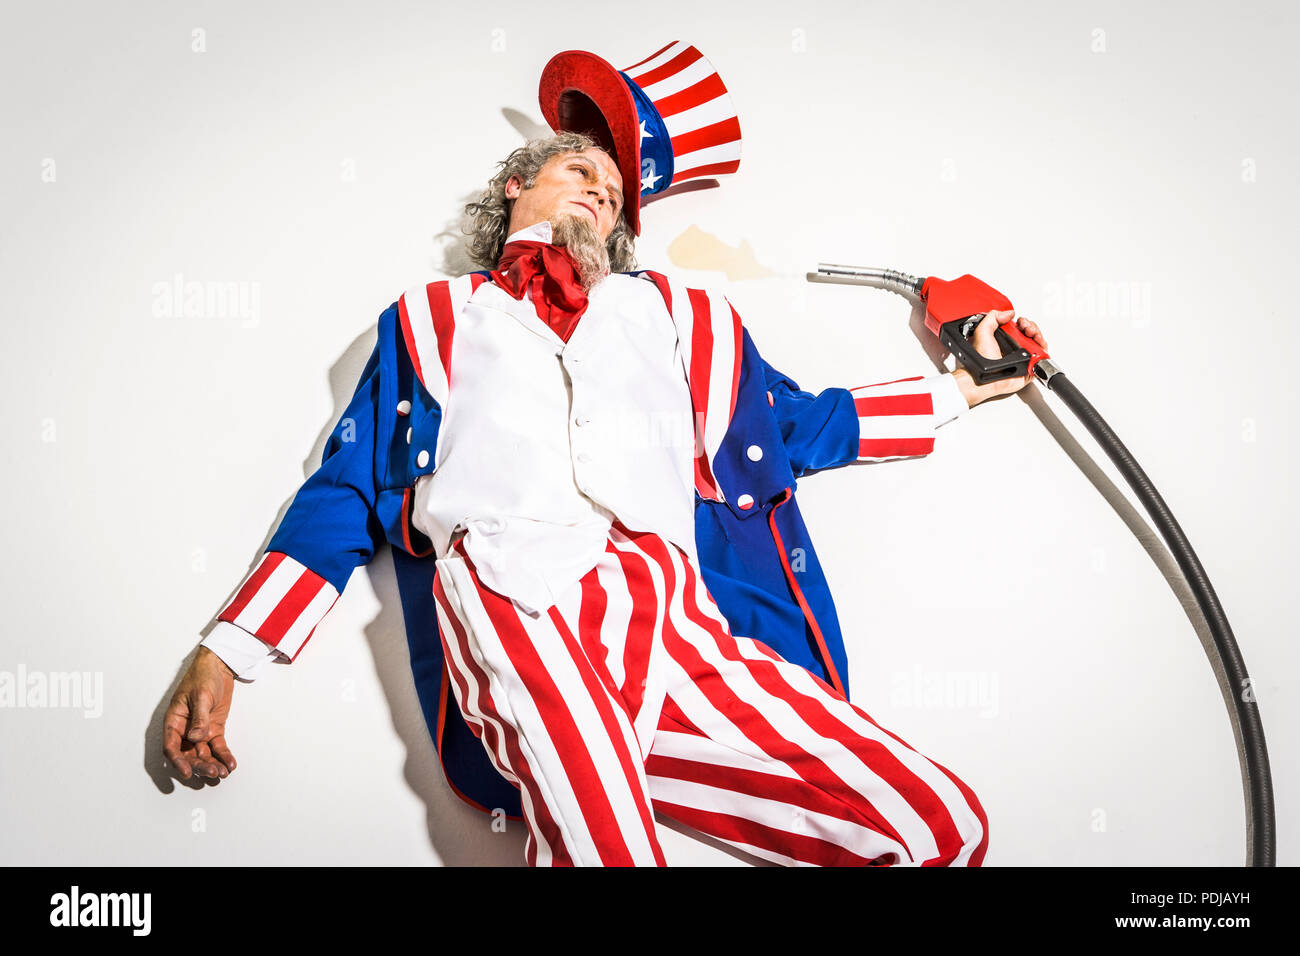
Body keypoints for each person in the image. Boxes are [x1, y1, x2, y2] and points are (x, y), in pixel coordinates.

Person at [163, 42, 1048, 866]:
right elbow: (347, 489)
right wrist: (230, 649)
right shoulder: (436, 316)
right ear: (514, 189)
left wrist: (962, 386)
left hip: (675, 610)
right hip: (519, 587)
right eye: (576, 169)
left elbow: (797, 426)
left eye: (617, 192)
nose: (600, 190)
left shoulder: (681, 318)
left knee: (942, 823)